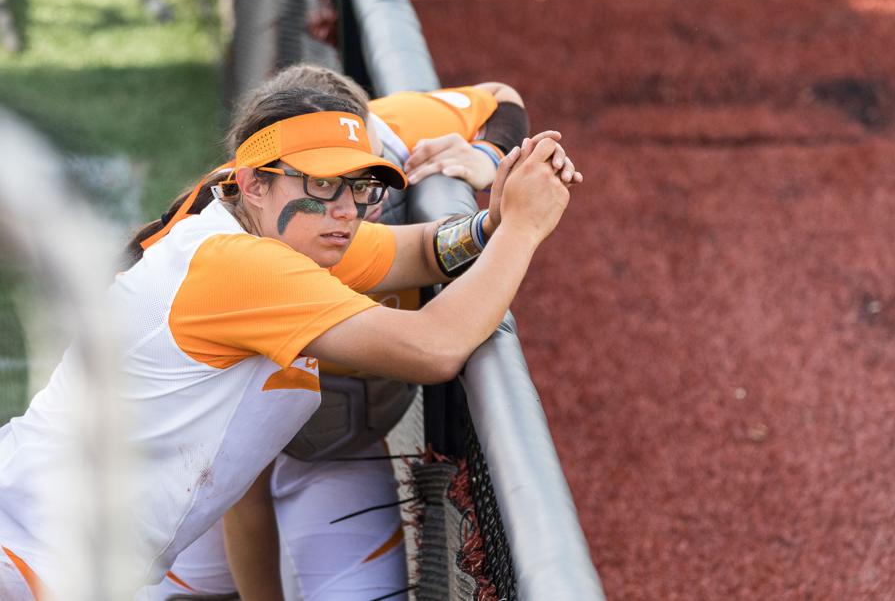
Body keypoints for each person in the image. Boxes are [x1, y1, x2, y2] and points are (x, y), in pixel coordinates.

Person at [0, 83, 579, 600]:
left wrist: (493, 222)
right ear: (253, 183)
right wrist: (525, 230)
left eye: (359, 186)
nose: (346, 210)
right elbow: (436, 346)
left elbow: (424, 249)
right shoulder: (239, 266)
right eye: (321, 183)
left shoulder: (278, 237)